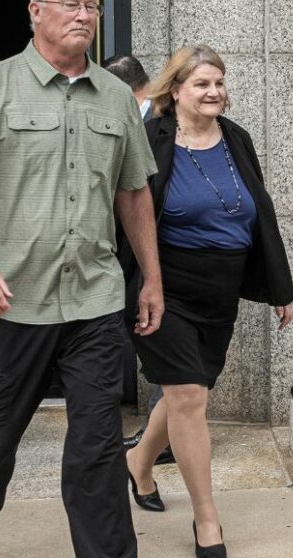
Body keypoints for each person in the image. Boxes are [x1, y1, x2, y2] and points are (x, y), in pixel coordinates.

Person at [0, 0, 163, 558]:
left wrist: (152, 279)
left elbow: (133, 192)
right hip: (10, 302)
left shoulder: (114, 95)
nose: (84, 15)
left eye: (91, 6)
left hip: (94, 300)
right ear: (35, 12)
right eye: (70, 4)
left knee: (97, 446)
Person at [119, 44, 293, 557]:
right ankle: (207, 521)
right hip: (162, 287)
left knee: (185, 395)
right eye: (201, 83)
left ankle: (137, 463)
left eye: (218, 82)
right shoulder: (150, 138)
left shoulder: (236, 138)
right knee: (190, 398)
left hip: (221, 291)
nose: (213, 91)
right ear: (175, 91)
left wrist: (279, 287)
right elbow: (125, 210)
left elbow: (261, 213)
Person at [103, 54, 175, 467]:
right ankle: (158, 434)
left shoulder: (158, 126)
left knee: (162, 346)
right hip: (126, 255)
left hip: (155, 255)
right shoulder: (138, 123)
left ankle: (160, 440)